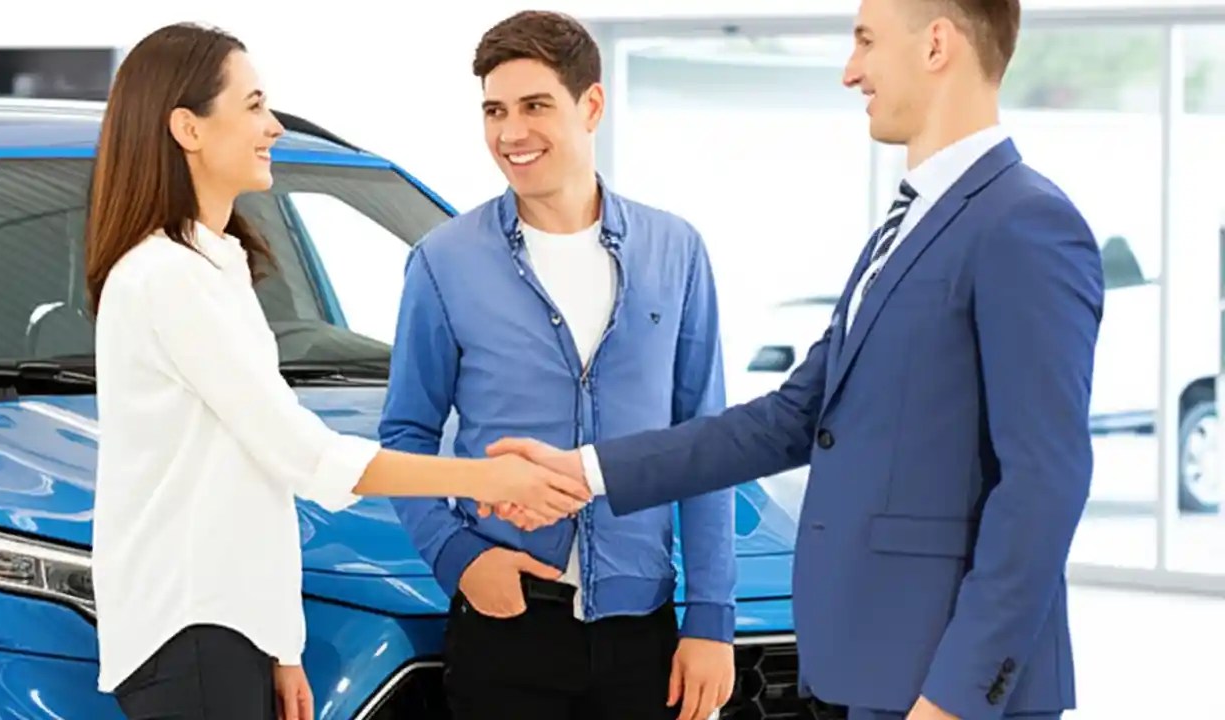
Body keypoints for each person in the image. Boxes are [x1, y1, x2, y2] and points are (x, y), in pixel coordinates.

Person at [489, 1, 1102, 719]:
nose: (851, 72)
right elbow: (788, 418)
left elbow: (1043, 487)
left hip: (947, 690)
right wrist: (588, 470)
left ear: (937, 45)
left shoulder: (1025, 223)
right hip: (875, 670)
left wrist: (959, 697)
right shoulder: (906, 230)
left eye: (866, 42)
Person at [85, 23, 589, 720]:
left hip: (228, 629)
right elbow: (301, 454)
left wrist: (280, 645)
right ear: (187, 128)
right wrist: (484, 477)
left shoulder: (215, 265)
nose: (272, 128)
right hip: (191, 627)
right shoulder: (168, 277)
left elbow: (241, 479)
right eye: (254, 105)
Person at [380, 11, 737, 720]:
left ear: (591, 106)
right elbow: (405, 437)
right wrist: (461, 561)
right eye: (494, 111)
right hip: (506, 624)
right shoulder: (443, 263)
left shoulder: (677, 252)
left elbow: (707, 445)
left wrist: (710, 620)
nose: (511, 133)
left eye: (535, 105)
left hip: (645, 633)